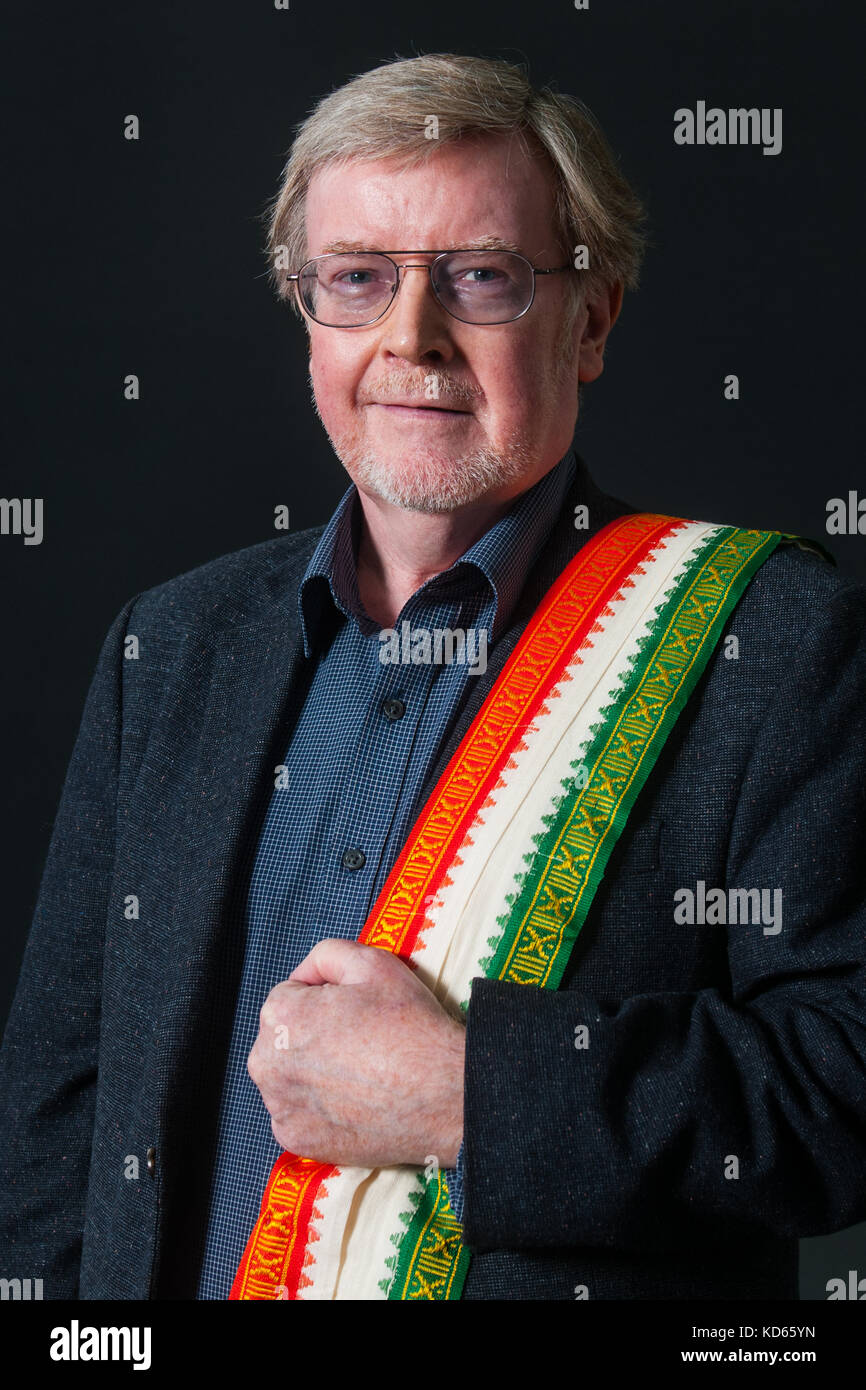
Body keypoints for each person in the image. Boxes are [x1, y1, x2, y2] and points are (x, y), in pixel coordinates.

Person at [2, 53, 865, 1302]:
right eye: (357, 280)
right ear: (308, 314)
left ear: (594, 314)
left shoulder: (771, 643)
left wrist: (468, 1096)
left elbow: (840, 1086)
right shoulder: (171, 649)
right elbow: (57, 1122)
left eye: (478, 278)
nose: (410, 340)